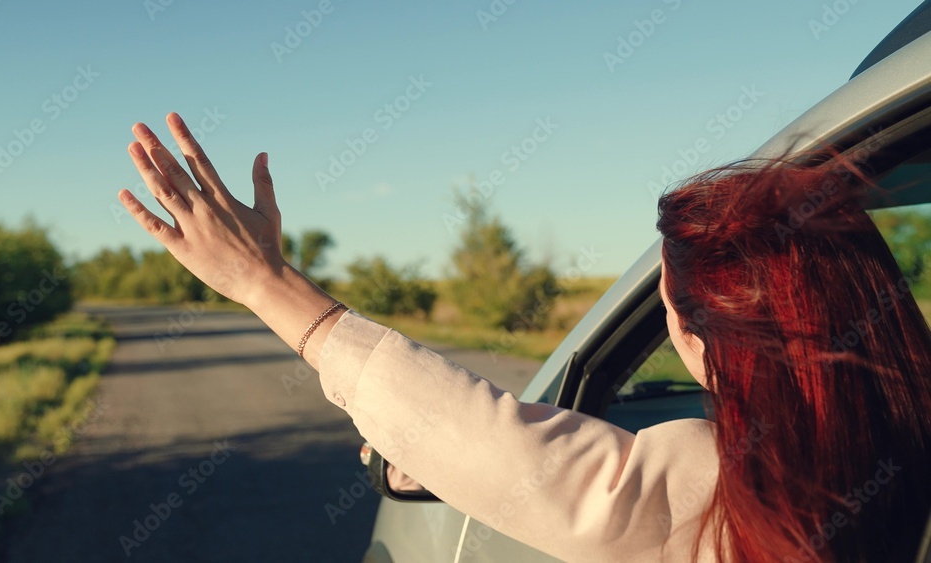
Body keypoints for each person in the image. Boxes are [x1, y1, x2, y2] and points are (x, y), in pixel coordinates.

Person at [116, 113, 931, 562]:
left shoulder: (719, 495)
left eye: (669, 306)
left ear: (696, 333)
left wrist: (263, 280)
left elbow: (502, 449)